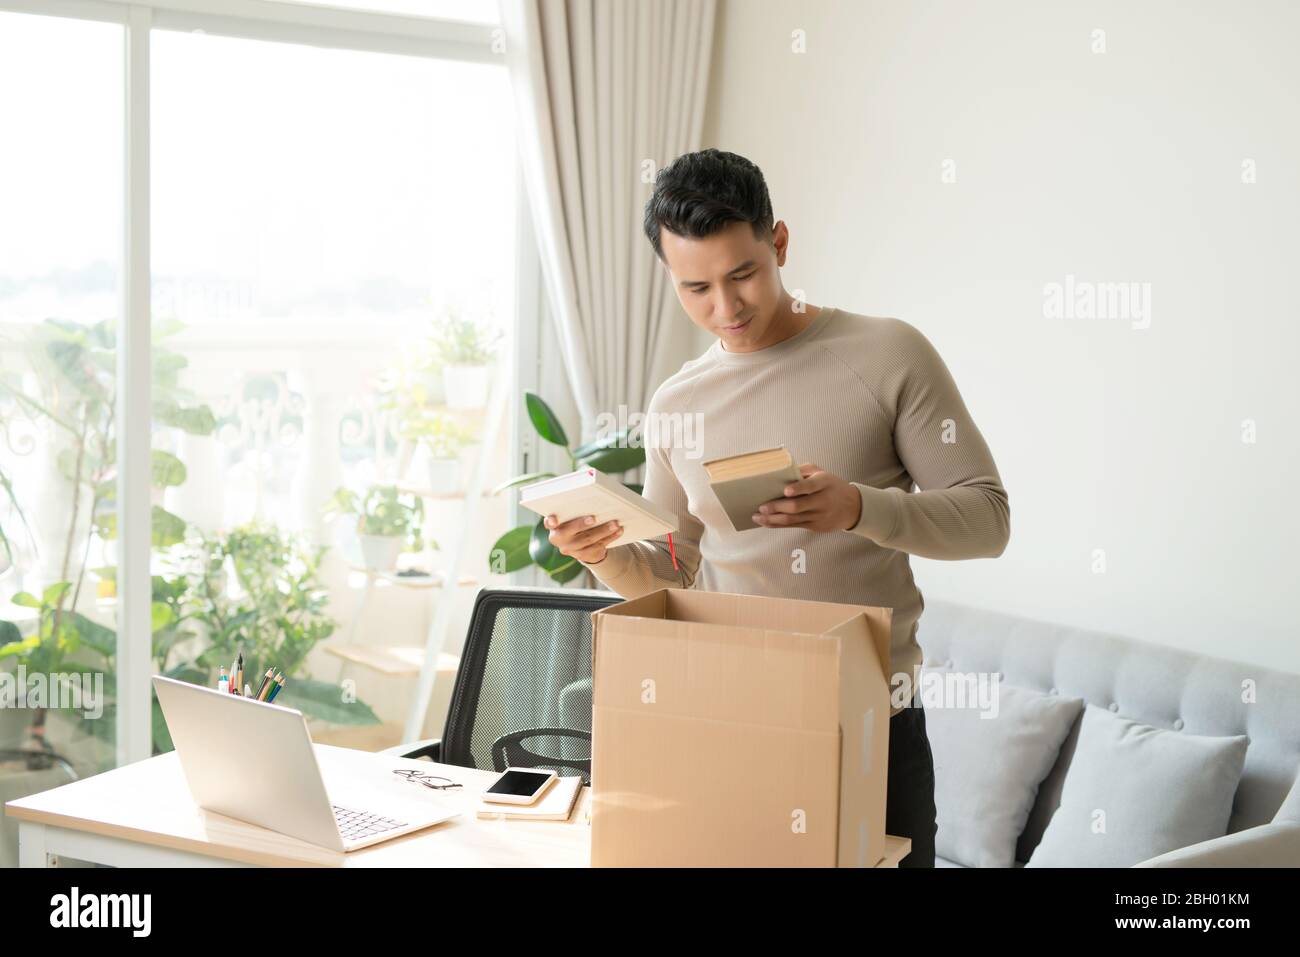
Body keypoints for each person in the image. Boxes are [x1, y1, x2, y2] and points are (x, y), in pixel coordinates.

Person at [545, 148, 1010, 866]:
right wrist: (601, 553)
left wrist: (858, 507)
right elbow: (677, 573)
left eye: (743, 274)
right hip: (727, 724)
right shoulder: (678, 403)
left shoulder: (888, 353)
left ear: (779, 242)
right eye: (695, 287)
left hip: (872, 728)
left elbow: (988, 520)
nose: (725, 309)